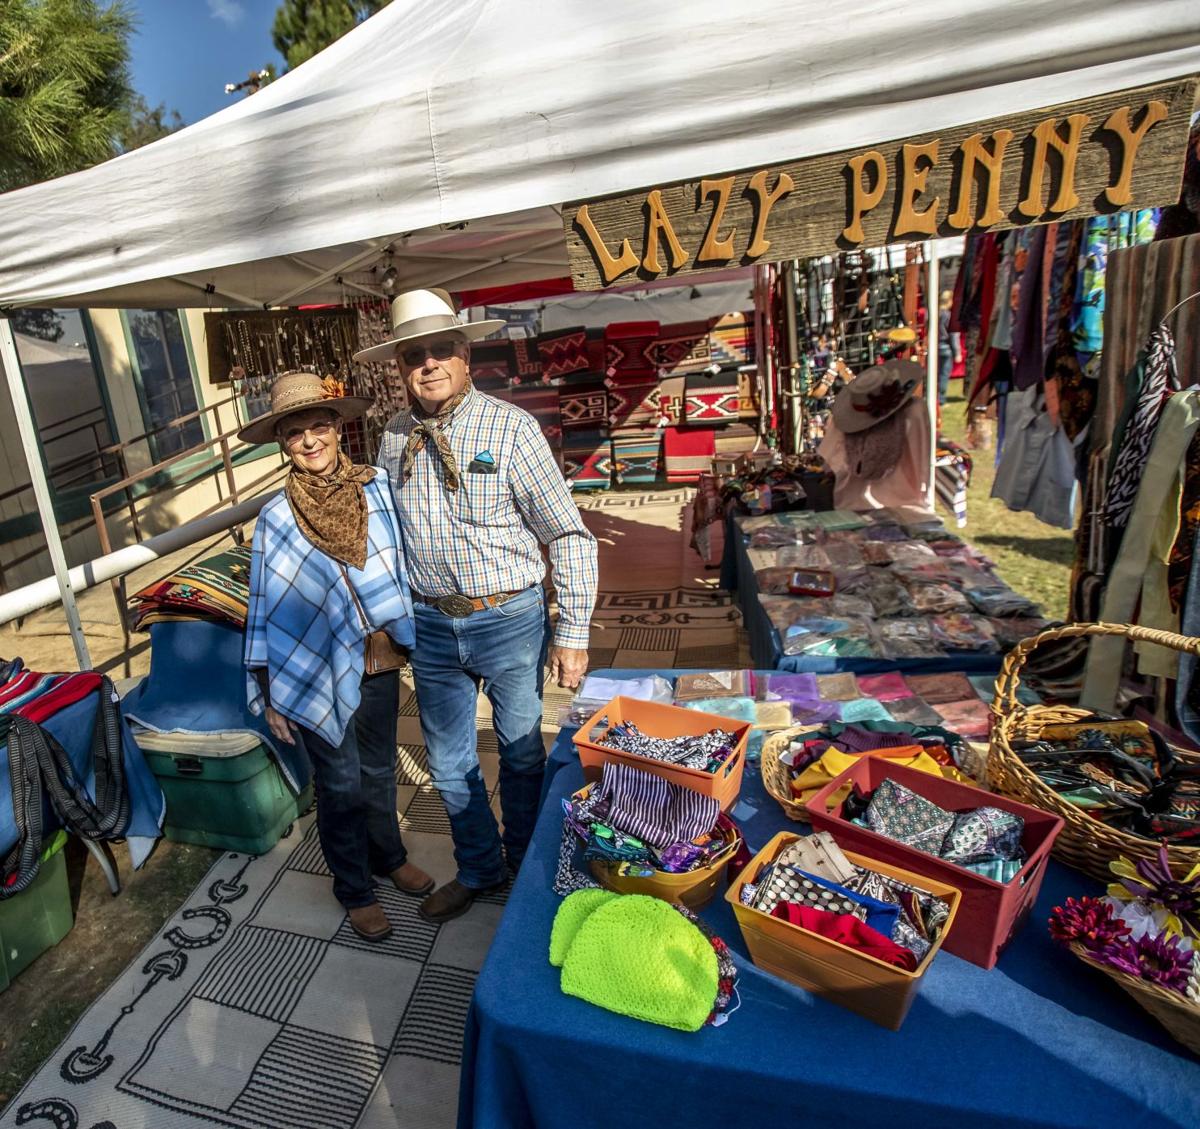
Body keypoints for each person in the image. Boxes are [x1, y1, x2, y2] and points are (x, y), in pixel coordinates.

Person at [356, 289, 599, 924]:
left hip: (510, 618)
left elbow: (567, 534)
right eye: (414, 356)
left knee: (520, 751)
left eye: (441, 351)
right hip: (432, 625)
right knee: (448, 761)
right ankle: (480, 868)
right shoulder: (394, 437)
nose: (429, 365)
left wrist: (573, 632)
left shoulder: (511, 428)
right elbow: (387, 534)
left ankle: (527, 866)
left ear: (465, 356)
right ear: (400, 367)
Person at [241, 370, 432, 942]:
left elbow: (400, 564)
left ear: (337, 428)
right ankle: (354, 888)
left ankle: (389, 857)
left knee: (377, 769)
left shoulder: (376, 490)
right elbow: (263, 605)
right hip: (315, 668)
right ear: (283, 443)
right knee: (340, 782)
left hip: (379, 654)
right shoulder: (276, 516)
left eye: (318, 426)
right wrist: (270, 691)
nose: (310, 440)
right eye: (294, 432)